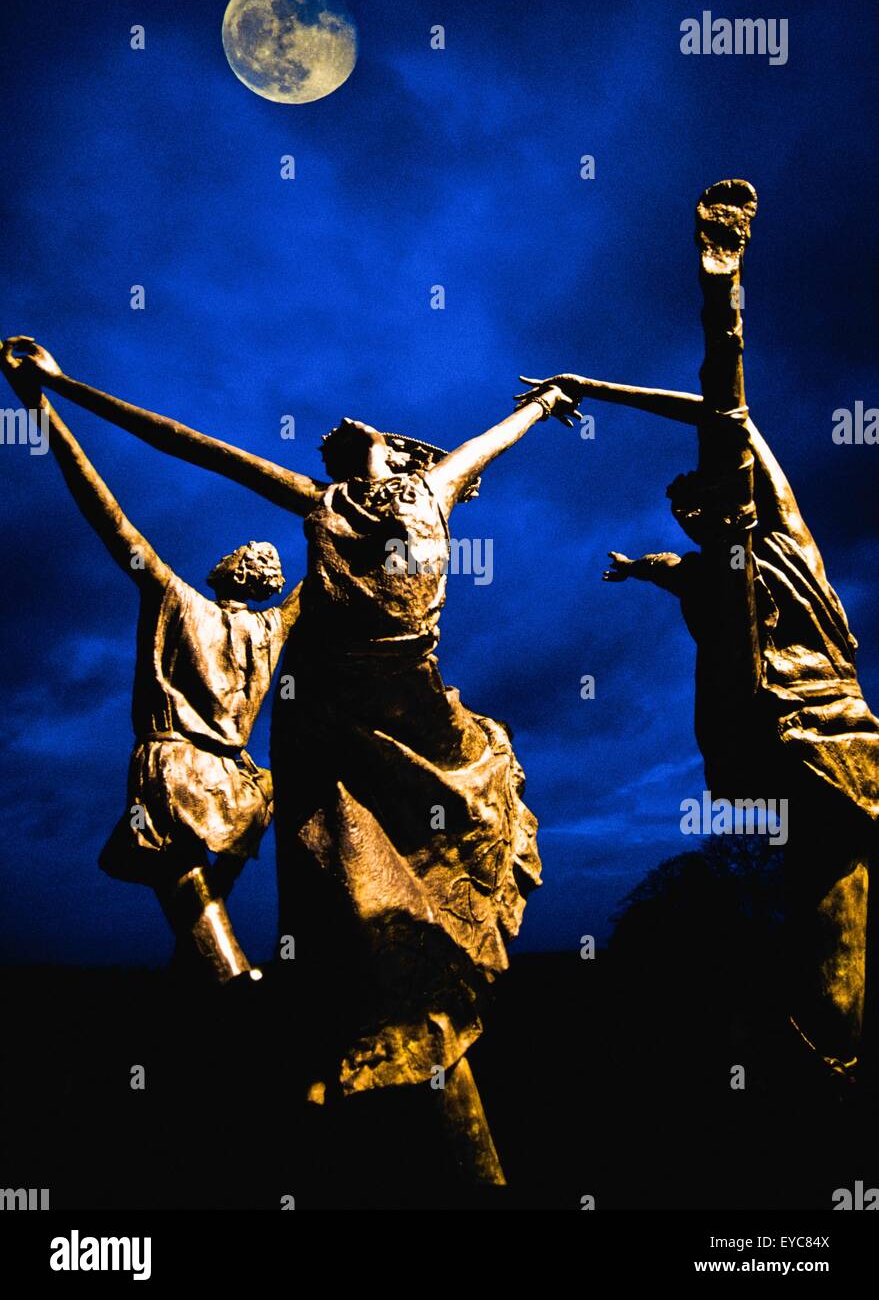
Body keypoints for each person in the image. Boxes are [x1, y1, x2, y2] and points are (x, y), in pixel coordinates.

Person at [15, 339, 584, 1181]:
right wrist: (60, 390)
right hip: (328, 719)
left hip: (400, 705)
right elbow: (183, 442)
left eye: (369, 430)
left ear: (406, 453)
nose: (344, 427)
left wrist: (542, 404)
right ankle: (313, 1037)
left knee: (421, 863)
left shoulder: (429, 486)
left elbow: (490, 444)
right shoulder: (317, 517)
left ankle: (281, 1013)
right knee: (344, 903)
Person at [519, 370, 879, 1082]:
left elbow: (720, 410)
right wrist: (635, 569)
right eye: (682, 515)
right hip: (771, 738)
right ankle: (813, 1061)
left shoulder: (779, 535)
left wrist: (589, 387)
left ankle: (827, 1065)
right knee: (814, 902)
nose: (693, 522)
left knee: (837, 886)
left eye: (702, 506)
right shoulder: (706, 569)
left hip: (835, 732)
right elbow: (672, 568)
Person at [0, 336, 301, 983]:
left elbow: (99, 503)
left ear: (237, 571)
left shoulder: (177, 598)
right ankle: (214, 1002)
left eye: (244, 552)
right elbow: (340, 561)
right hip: (247, 786)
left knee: (188, 904)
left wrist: (38, 406)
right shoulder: (278, 625)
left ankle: (237, 989)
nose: (237, 552)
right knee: (197, 916)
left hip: (177, 767)